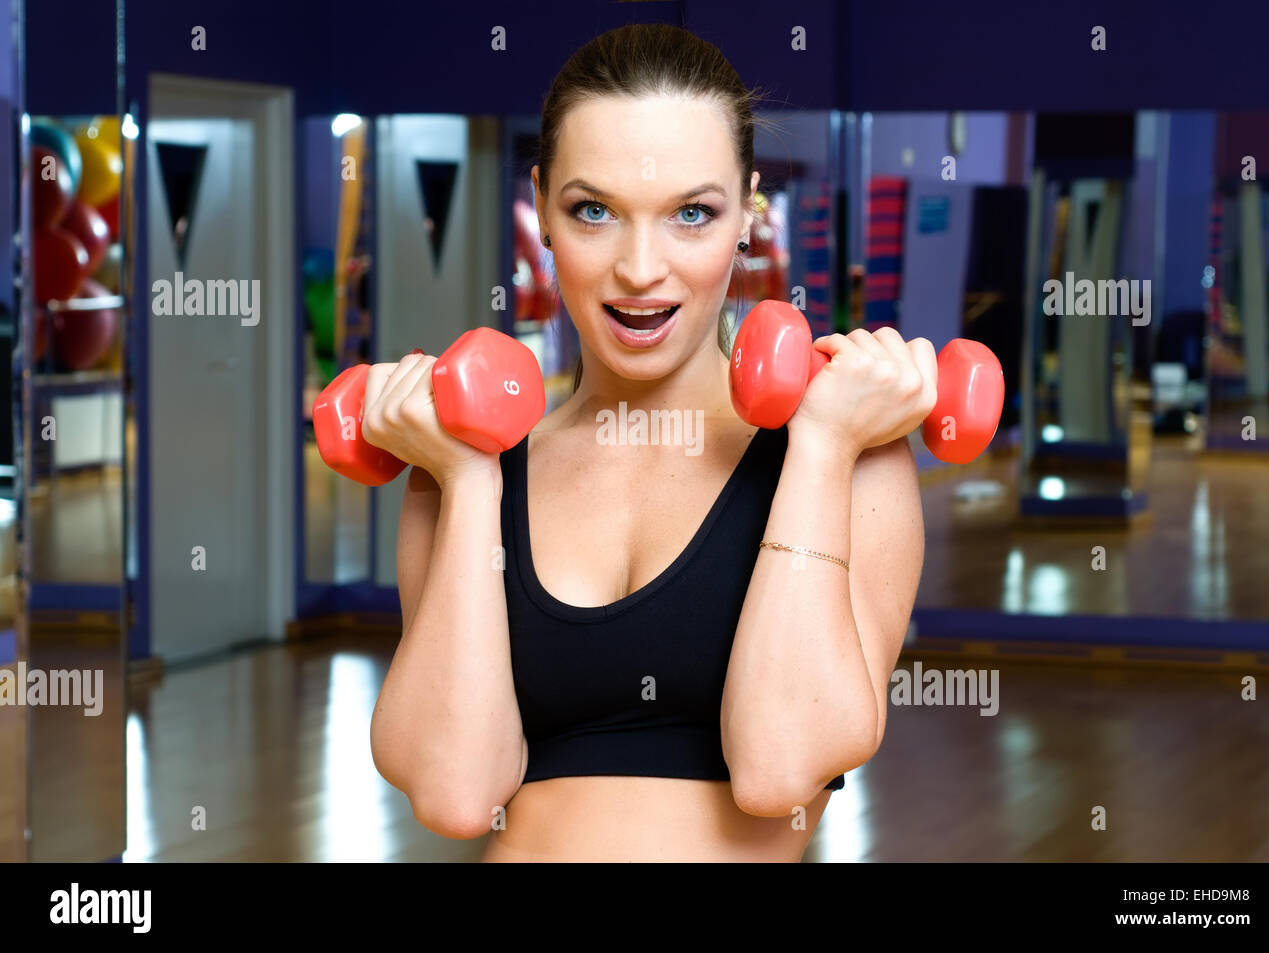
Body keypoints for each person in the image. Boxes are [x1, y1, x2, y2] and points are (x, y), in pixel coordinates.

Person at [366, 23, 936, 862]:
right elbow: (456, 790)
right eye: (593, 210)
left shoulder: (850, 459)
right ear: (543, 211)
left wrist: (817, 447)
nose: (641, 268)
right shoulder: (465, 469)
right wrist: (470, 479)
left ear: (748, 214)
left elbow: (780, 766)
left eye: (692, 214)